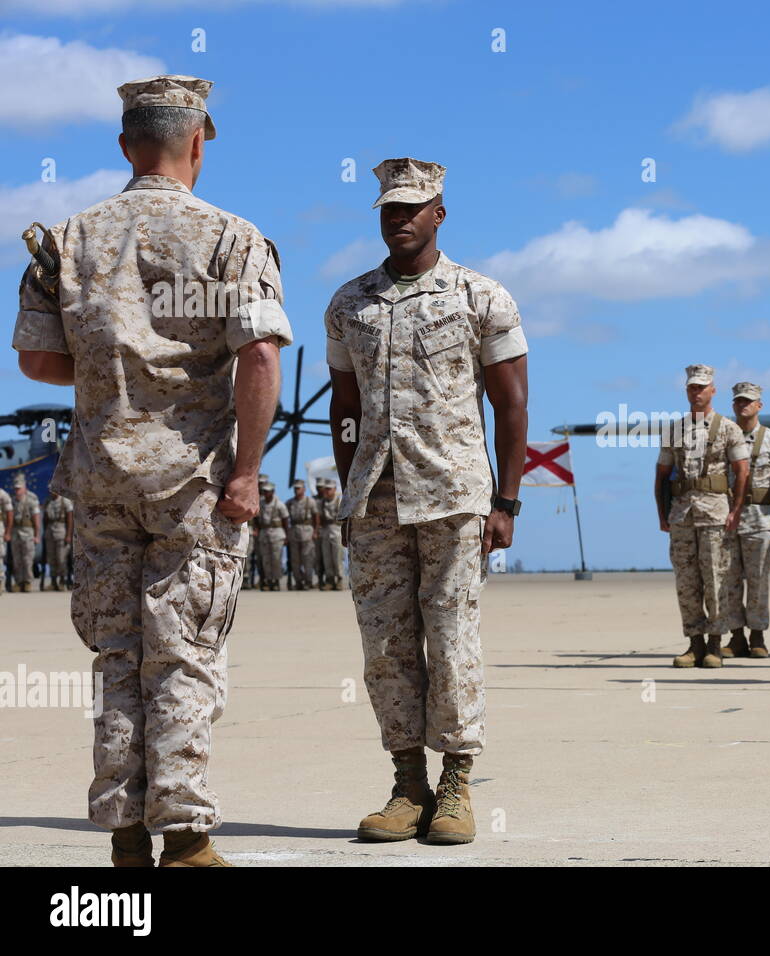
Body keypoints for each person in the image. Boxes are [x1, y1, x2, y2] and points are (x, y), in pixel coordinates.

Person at [13, 74, 290, 866]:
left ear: (125, 144)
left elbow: (37, 358)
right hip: (191, 484)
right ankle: (189, 836)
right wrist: (244, 472)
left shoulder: (69, 240)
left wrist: (114, 373)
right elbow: (261, 357)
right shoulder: (232, 238)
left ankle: (126, 833)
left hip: (100, 480)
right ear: (199, 141)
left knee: (117, 658)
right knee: (185, 653)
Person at [326, 157, 528, 846]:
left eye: (413, 207)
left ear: (440, 213)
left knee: (451, 640)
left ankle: (456, 786)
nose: (400, 218)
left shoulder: (482, 296)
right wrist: (351, 493)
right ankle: (406, 783)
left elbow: (511, 402)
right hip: (376, 502)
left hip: (453, 496)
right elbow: (345, 407)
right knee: (385, 646)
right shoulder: (348, 303)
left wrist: (507, 499)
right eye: (389, 208)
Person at [655, 365, 749, 668]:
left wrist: (735, 510)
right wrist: (663, 514)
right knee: (687, 581)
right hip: (683, 514)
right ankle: (693, 642)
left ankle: (714, 644)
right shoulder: (674, 430)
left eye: (702, 387)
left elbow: (741, 472)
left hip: (715, 514)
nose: (696, 392)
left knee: (716, 579)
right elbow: (662, 475)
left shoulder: (729, 429)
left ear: (713, 390)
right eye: (692, 387)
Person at [723, 381, 770, 659]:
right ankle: (735, 636)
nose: (743, 405)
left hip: (761, 519)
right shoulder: (722, 437)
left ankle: (758, 635)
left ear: (759, 405)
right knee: (728, 580)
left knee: (758, 580)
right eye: (738, 401)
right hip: (726, 518)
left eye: (748, 401)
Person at [8, 475, 41, 592]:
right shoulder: (11, 500)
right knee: (17, 559)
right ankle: (18, 582)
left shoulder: (32, 499)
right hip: (16, 533)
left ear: (24, 488)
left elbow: (36, 520)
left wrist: (37, 536)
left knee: (27, 560)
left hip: (28, 533)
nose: (17, 490)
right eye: (15, 488)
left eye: (19, 488)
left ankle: (27, 582)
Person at [286, 478, 319, 590]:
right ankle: (298, 581)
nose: (296, 490)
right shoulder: (289, 502)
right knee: (295, 559)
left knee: (307, 558)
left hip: (307, 531)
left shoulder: (310, 502)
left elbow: (316, 517)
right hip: (294, 530)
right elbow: (285, 518)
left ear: (304, 489)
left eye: (298, 488)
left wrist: (315, 531)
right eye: (295, 489)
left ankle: (308, 581)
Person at [256, 480, 289, 590]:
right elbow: (256, 518)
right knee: (266, 559)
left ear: (273, 492)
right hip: (264, 533)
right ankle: (268, 580)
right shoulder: (260, 503)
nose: (266, 493)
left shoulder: (280, 504)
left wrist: (287, 536)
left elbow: (285, 520)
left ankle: (276, 580)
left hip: (277, 534)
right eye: (264, 491)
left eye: (268, 491)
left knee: (276, 558)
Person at [317, 477, 345, 590]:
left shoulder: (339, 501)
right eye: (326, 489)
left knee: (337, 558)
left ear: (334, 489)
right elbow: (318, 517)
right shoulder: (322, 502)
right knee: (327, 558)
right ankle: (329, 580)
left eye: (329, 489)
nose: (327, 491)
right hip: (325, 531)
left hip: (336, 530)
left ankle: (339, 580)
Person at [43, 491, 74, 591]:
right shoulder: (47, 501)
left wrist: (69, 535)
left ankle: (63, 581)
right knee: (51, 559)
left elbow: (70, 519)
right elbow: (45, 519)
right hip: (50, 533)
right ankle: (53, 582)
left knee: (61, 559)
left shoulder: (65, 501)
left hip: (62, 532)